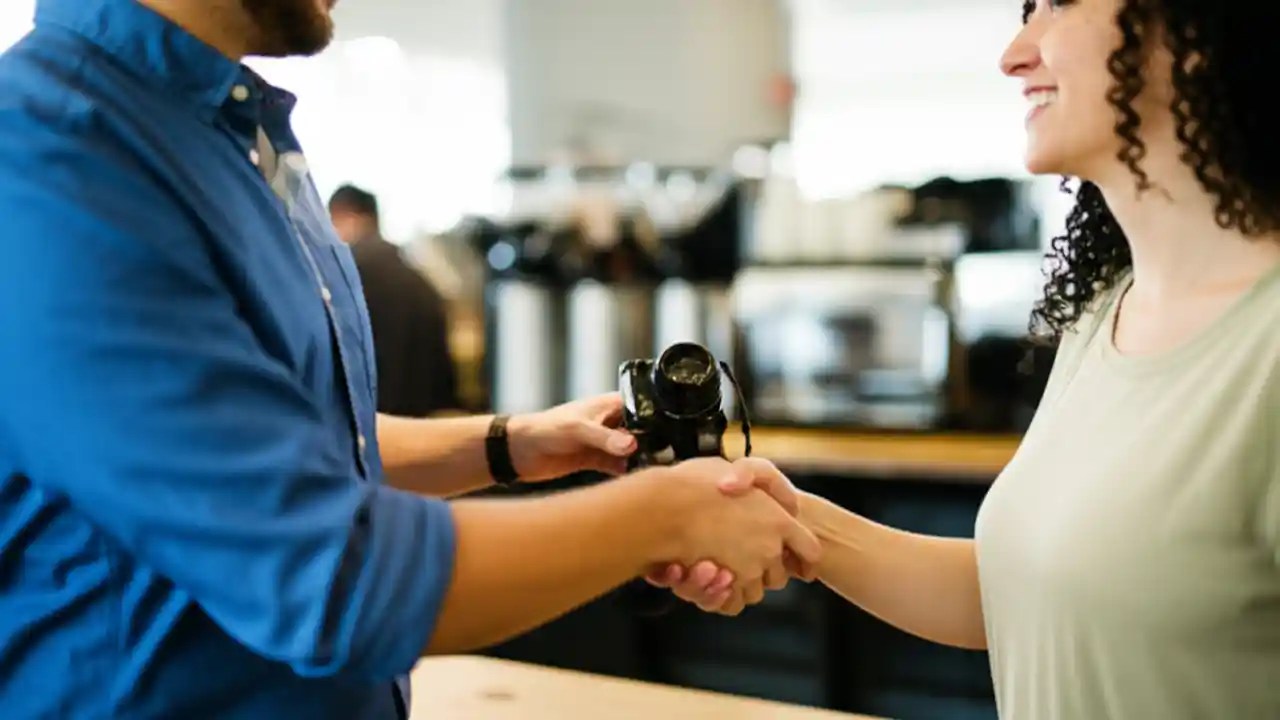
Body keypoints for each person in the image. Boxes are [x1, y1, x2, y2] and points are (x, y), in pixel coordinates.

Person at [0, 1, 820, 717]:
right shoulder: (52, 155)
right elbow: (329, 579)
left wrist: (507, 445)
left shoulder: (229, 131)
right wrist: (669, 514)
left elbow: (285, 451)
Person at [658, 0, 1280, 717]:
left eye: (1062, 5)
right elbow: (1027, 592)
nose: (1015, 52)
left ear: (1201, 33)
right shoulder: (1106, 311)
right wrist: (796, 524)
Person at [328, 184, 460, 418]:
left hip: (371, 426)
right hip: (421, 427)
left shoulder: (345, 274)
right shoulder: (417, 277)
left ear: (345, 216)